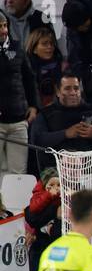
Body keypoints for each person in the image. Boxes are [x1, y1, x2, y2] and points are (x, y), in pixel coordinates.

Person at [0, 13, 36, 176]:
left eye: (5, 25)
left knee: (18, 172)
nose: (3, 31)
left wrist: (34, 106)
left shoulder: (18, 48)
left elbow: (29, 79)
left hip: (18, 120)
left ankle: (16, 203)